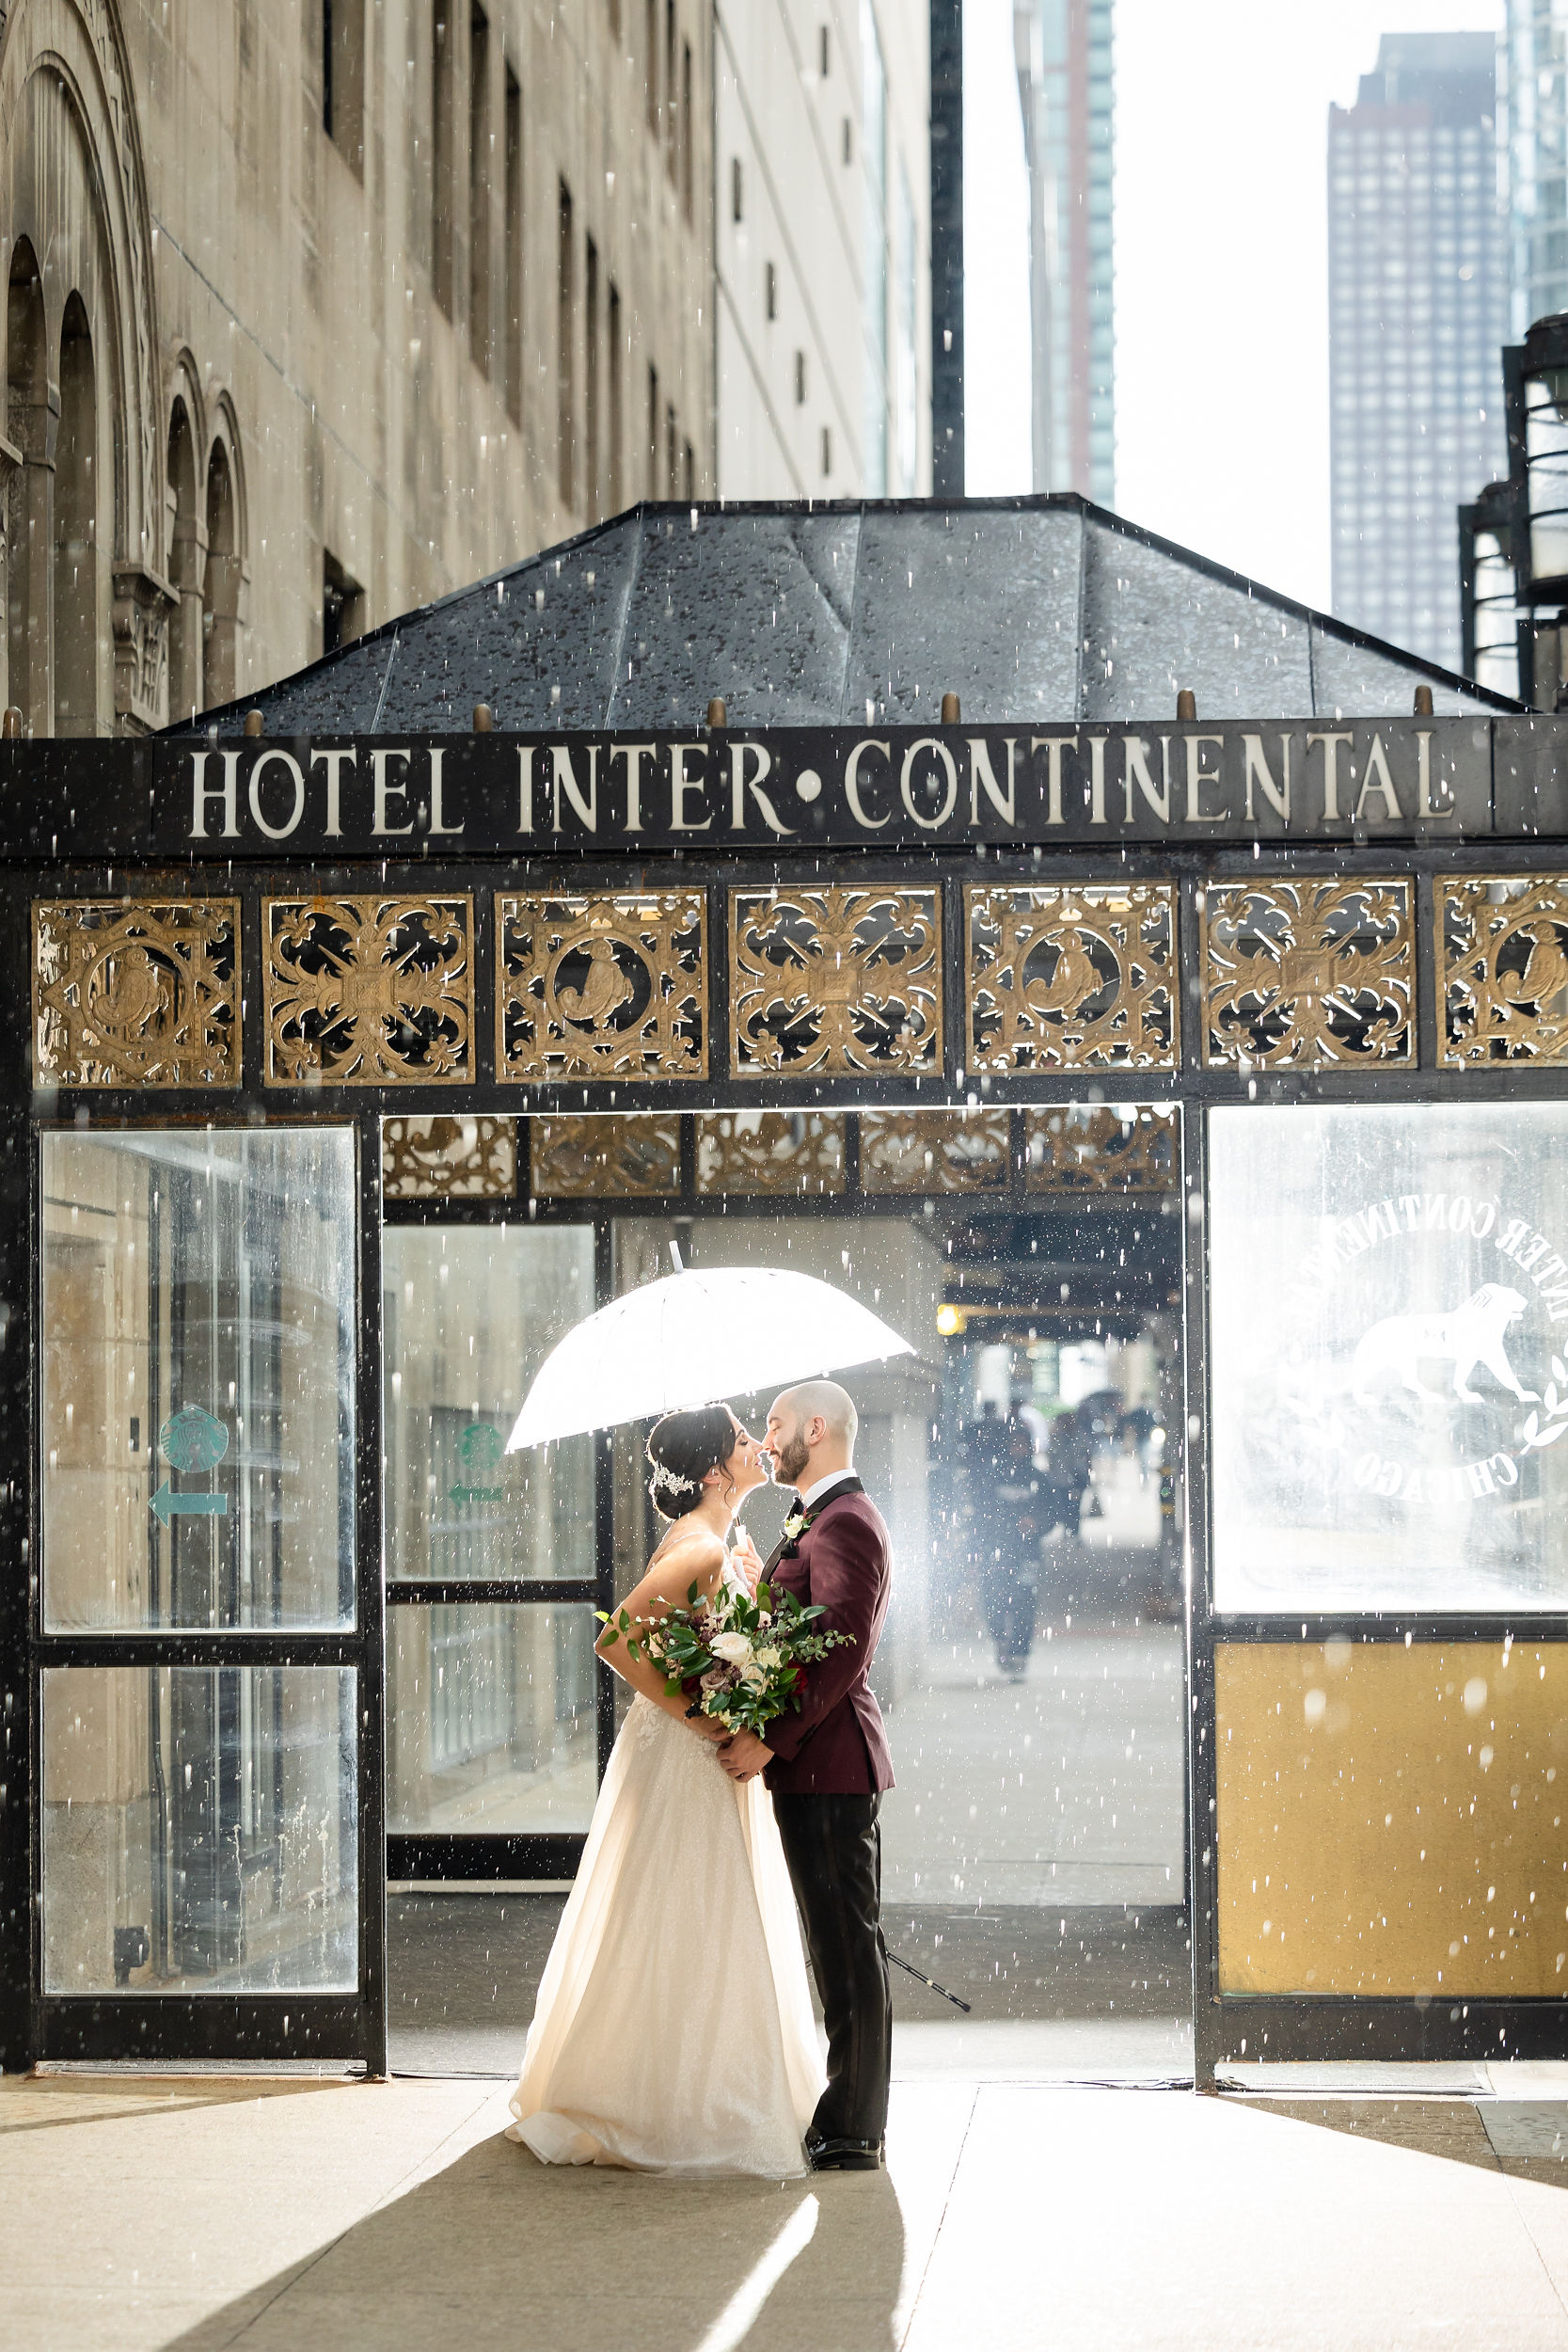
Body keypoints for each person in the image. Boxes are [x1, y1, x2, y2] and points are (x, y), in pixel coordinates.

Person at [507, 1403, 822, 2175]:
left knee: (688, 1913)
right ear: (715, 1471)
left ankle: (675, 2080)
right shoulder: (699, 1547)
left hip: (694, 1756)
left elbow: (706, 1640)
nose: (757, 1446)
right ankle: (675, 2103)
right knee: (695, 1910)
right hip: (689, 1761)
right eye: (743, 1440)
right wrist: (704, 1722)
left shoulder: (720, 1546)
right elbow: (616, 1638)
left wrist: (750, 1598)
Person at [717, 1379, 895, 2173]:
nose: (766, 1436)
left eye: (776, 1423)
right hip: (814, 1770)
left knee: (845, 1949)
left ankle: (854, 2125)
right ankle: (847, 2114)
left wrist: (771, 1740)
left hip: (828, 1767)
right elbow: (807, 1629)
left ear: (815, 1429)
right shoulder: (817, 1519)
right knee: (836, 1946)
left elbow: (844, 1647)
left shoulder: (845, 1520)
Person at [981, 1418, 1047, 1679]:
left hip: (1028, 1553)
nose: (1018, 1449)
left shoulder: (1037, 1478)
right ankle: (1001, 1641)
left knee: (1024, 1602)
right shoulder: (994, 1476)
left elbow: (1051, 1510)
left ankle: (1019, 1655)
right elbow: (983, 1510)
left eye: (1023, 1444)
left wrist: (1037, 1524)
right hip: (997, 1550)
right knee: (995, 1600)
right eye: (1014, 1444)